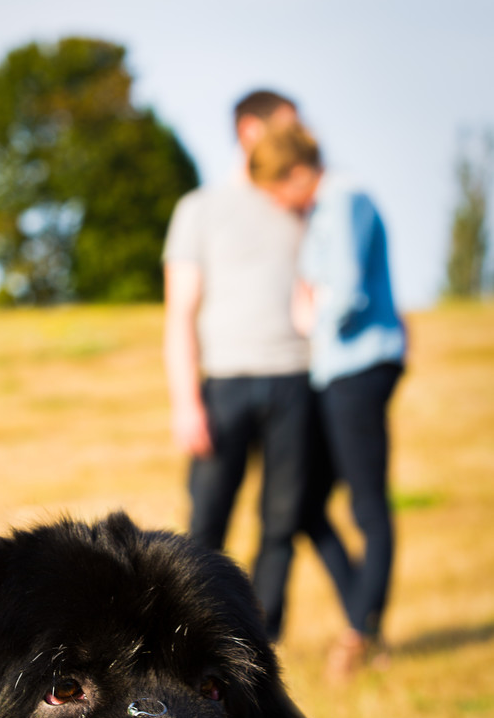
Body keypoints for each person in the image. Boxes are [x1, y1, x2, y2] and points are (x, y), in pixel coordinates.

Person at [249, 123, 406, 677]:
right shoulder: (324, 207)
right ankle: (362, 620)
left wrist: (308, 312)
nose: (277, 203)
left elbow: (345, 288)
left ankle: (361, 630)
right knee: (308, 503)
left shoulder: (344, 198)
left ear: (296, 174)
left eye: (275, 190)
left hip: (359, 367)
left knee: (367, 503)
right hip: (335, 371)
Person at [163, 90, 310, 642]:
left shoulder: (300, 202)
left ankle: (261, 649)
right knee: (205, 527)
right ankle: (189, 640)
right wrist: (185, 402)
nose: (303, 138)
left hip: (296, 380)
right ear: (251, 131)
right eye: (287, 127)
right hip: (224, 385)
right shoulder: (199, 210)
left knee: (282, 522)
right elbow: (181, 312)